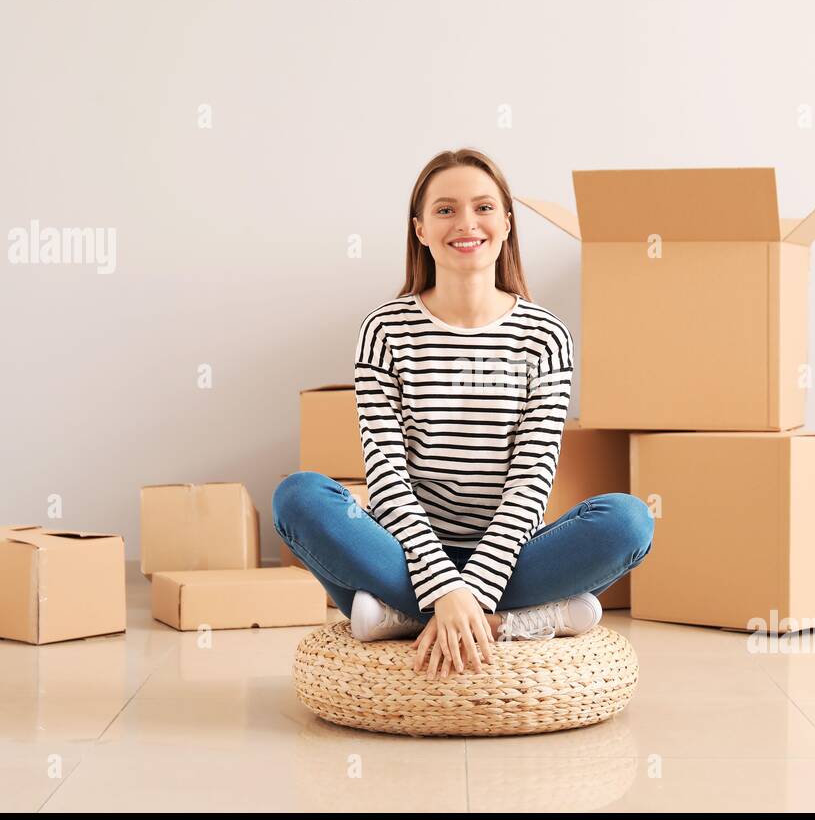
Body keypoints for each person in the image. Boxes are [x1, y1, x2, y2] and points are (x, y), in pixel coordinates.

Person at [274, 148, 653, 679]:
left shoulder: (545, 338)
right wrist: (444, 586)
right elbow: (386, 475)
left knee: (628, 520)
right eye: (445, 210)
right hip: (403, 551)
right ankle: (512, 620)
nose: (466, 223)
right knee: (300, 497)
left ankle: (400, 617)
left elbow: (532, 481)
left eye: (483, 207)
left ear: (506, 224)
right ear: (421, 231)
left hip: (512, 555)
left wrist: (470, 588)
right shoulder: (385, 331)